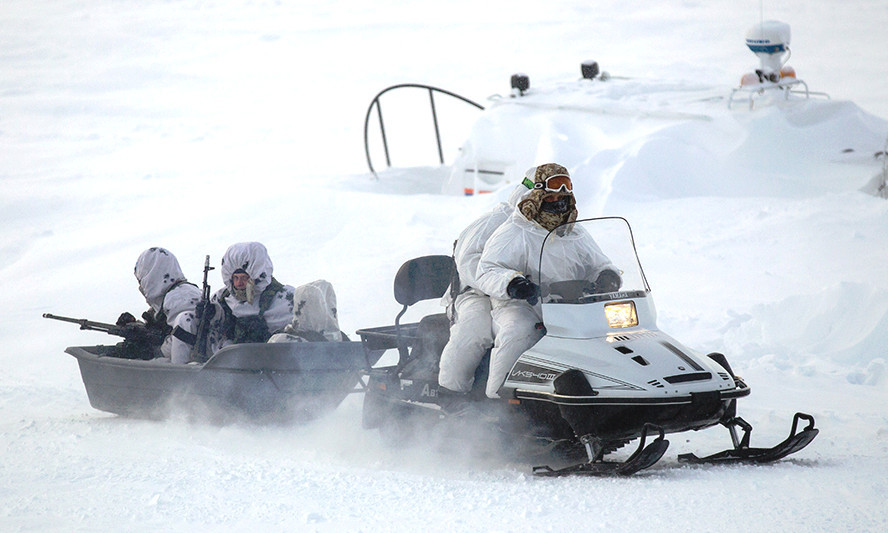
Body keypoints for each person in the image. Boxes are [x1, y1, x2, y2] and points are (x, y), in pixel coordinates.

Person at [475, 163, 618, 398]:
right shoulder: (516, 230)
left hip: (571, 305)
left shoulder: (575, 231)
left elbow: (599, 263)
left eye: (565, 190)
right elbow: (487, 269)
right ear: (538, 193)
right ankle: (499, 396)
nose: (560, 197)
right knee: (518, 331)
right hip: (522, 304)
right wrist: (513, 284)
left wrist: (607, 277)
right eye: (552, 191)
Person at [437, 176, 533, 395]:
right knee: (476, 327)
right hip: (475, 292)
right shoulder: (495, 221)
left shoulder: (551, 225)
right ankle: (452, 391)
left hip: (516, 295)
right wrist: (505, 283)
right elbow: (467, 262)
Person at [205, 242, 341, 353]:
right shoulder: (222, 300)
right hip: (229, 365)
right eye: (235, 278)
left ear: (256, 276)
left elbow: (305, 334)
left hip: (273, 368)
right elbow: (214, 332)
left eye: (244, 278)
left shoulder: (284, 299)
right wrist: (205, 316)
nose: (239, 283)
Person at [117, 247, 202, 363]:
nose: (141, 286)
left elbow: (183, 337)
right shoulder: (180, 293)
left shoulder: (177, 298)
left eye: (141, 280)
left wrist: (155, 351)